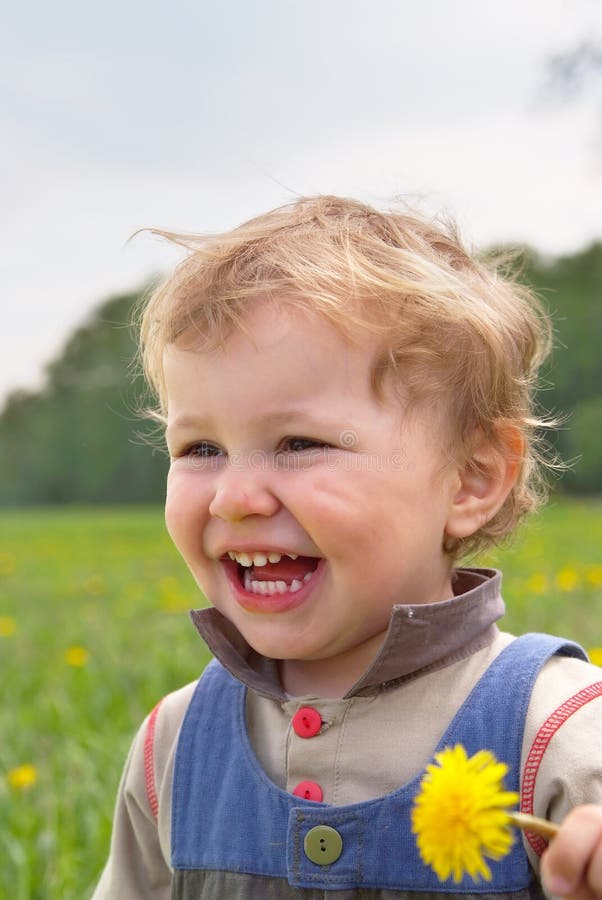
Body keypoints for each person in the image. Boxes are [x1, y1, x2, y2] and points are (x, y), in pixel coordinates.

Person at [93, 196, 602, 899]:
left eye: (299, 444)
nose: (234, 497)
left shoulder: (559, 737)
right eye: (200, 447)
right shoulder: (174, 748)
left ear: (470, 481)